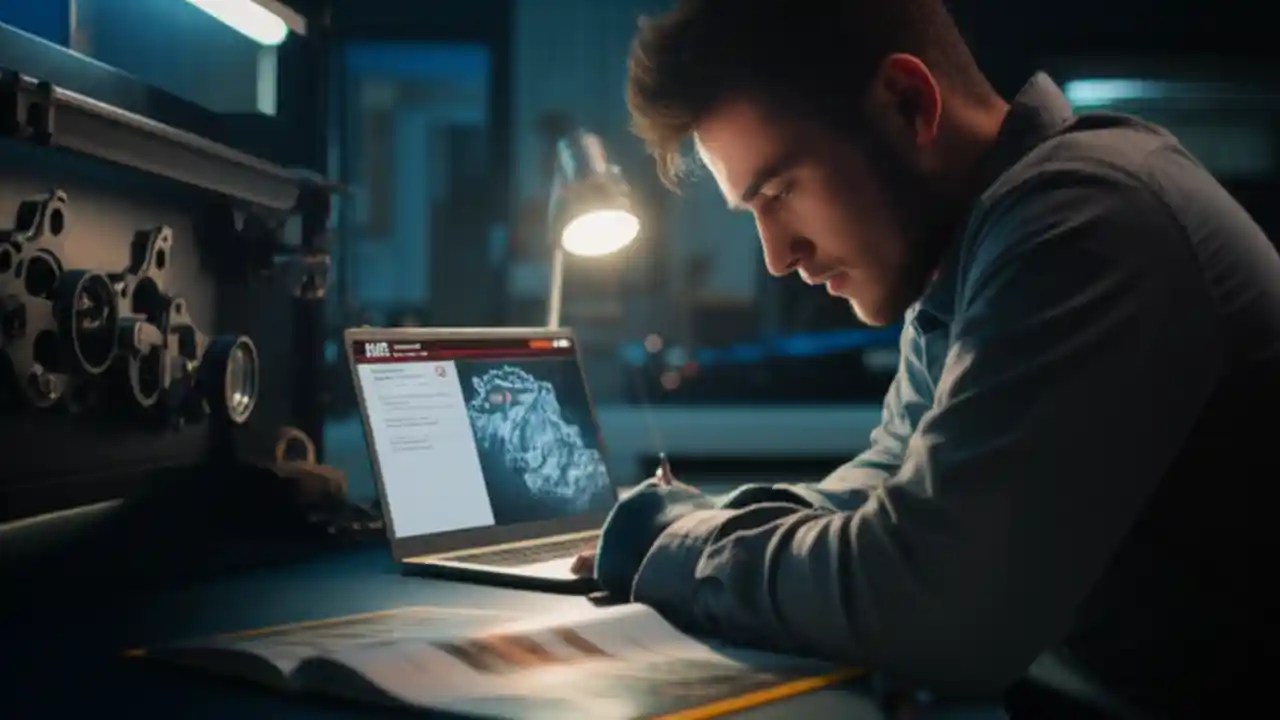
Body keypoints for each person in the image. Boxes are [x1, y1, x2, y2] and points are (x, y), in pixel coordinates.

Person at [569, 1, 1276, 717]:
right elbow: (887, 490)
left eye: (780, 191)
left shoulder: (1086, 218)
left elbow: (935, 602)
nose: (778, 256)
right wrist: (698, 524)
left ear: (907, 104)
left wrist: (682, 552)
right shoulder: (971, 254)